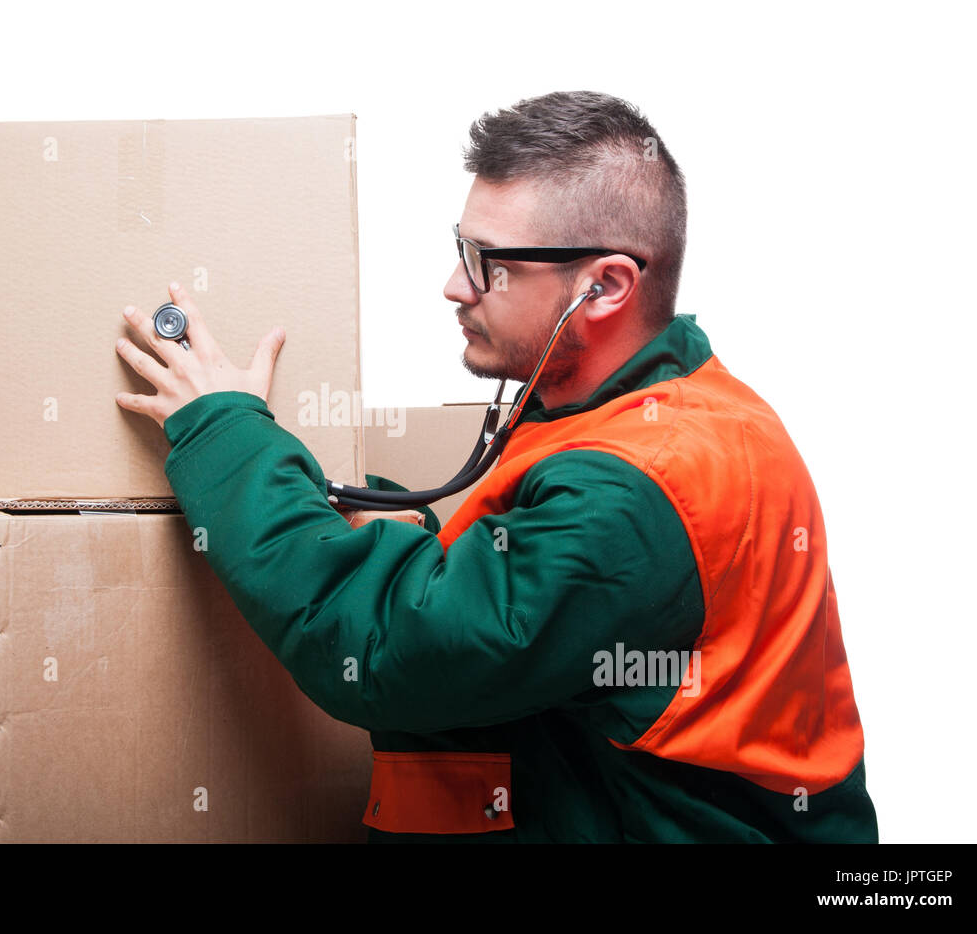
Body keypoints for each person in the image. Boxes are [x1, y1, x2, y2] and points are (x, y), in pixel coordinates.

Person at [114, 90, 878, 843]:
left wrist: (224, 430)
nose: (456, 286)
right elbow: (508, 579)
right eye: (461, 248)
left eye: (488, 263)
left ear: (604, 285)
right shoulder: (659, 405)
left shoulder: (635, 491)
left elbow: (385, 650)